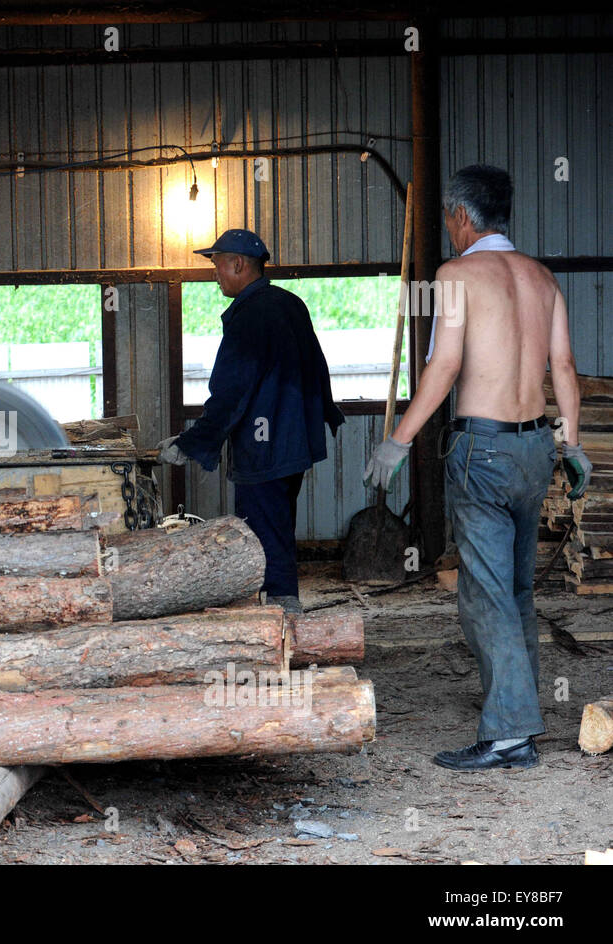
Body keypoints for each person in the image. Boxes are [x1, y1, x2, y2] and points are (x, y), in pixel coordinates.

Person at [364, 164, 591, 771]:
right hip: (535, 447)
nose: (447, 227)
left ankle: (510, 733)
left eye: (447, 218)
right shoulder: (541, 279)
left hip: (483, 451)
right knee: (514, 591)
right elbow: (563, 367)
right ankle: (515, 716)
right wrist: (570, 445)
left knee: (485, 594)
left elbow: (443, 368)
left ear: (462, 217)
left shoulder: (456, 274)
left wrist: (397, 442)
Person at [158, 229, 344, 614]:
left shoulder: (250, 315)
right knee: (277, 526)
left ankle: (281, 616)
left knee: (263, 535)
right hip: (294, 443)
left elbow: (232, 390)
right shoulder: (290, 304)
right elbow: (317, 372)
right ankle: (279, 609)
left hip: (265, 444)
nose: (216, 275)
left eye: (217, 265)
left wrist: (192, 442)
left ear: (239, 264)